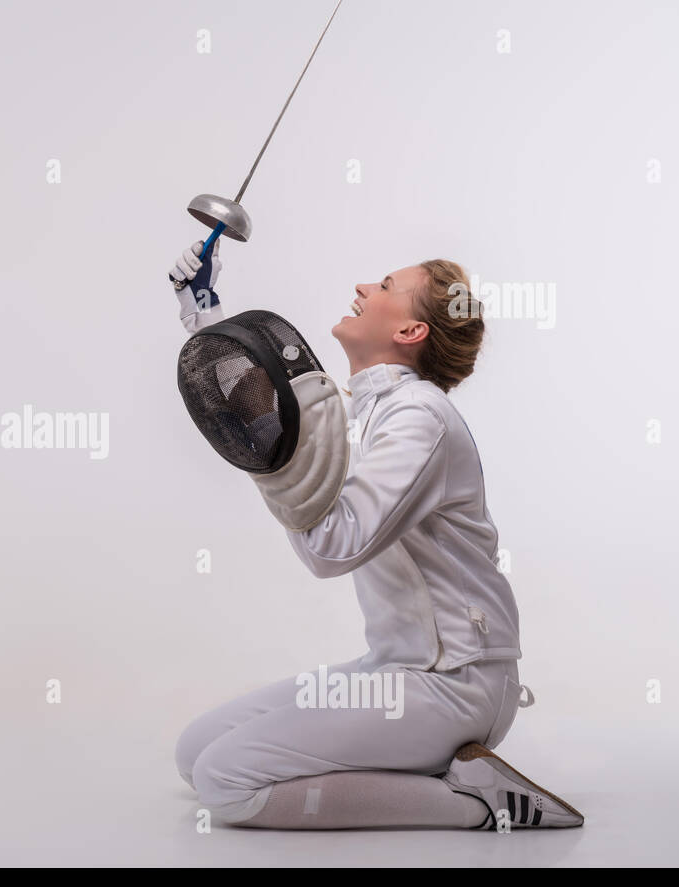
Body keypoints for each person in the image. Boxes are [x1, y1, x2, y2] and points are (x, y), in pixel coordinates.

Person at [168, 241, 583, 829]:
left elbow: (330, 548)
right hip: (390, 668)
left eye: (386, 285)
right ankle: (425, 767)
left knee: (225, 783)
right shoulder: (370, 414)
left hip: (454, 684)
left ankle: (475, 805)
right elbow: (277, 403)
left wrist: (271, 458)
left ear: (412, 330)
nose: (364, 288)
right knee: (195, 754)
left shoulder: (419, 419)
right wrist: (202, 310)